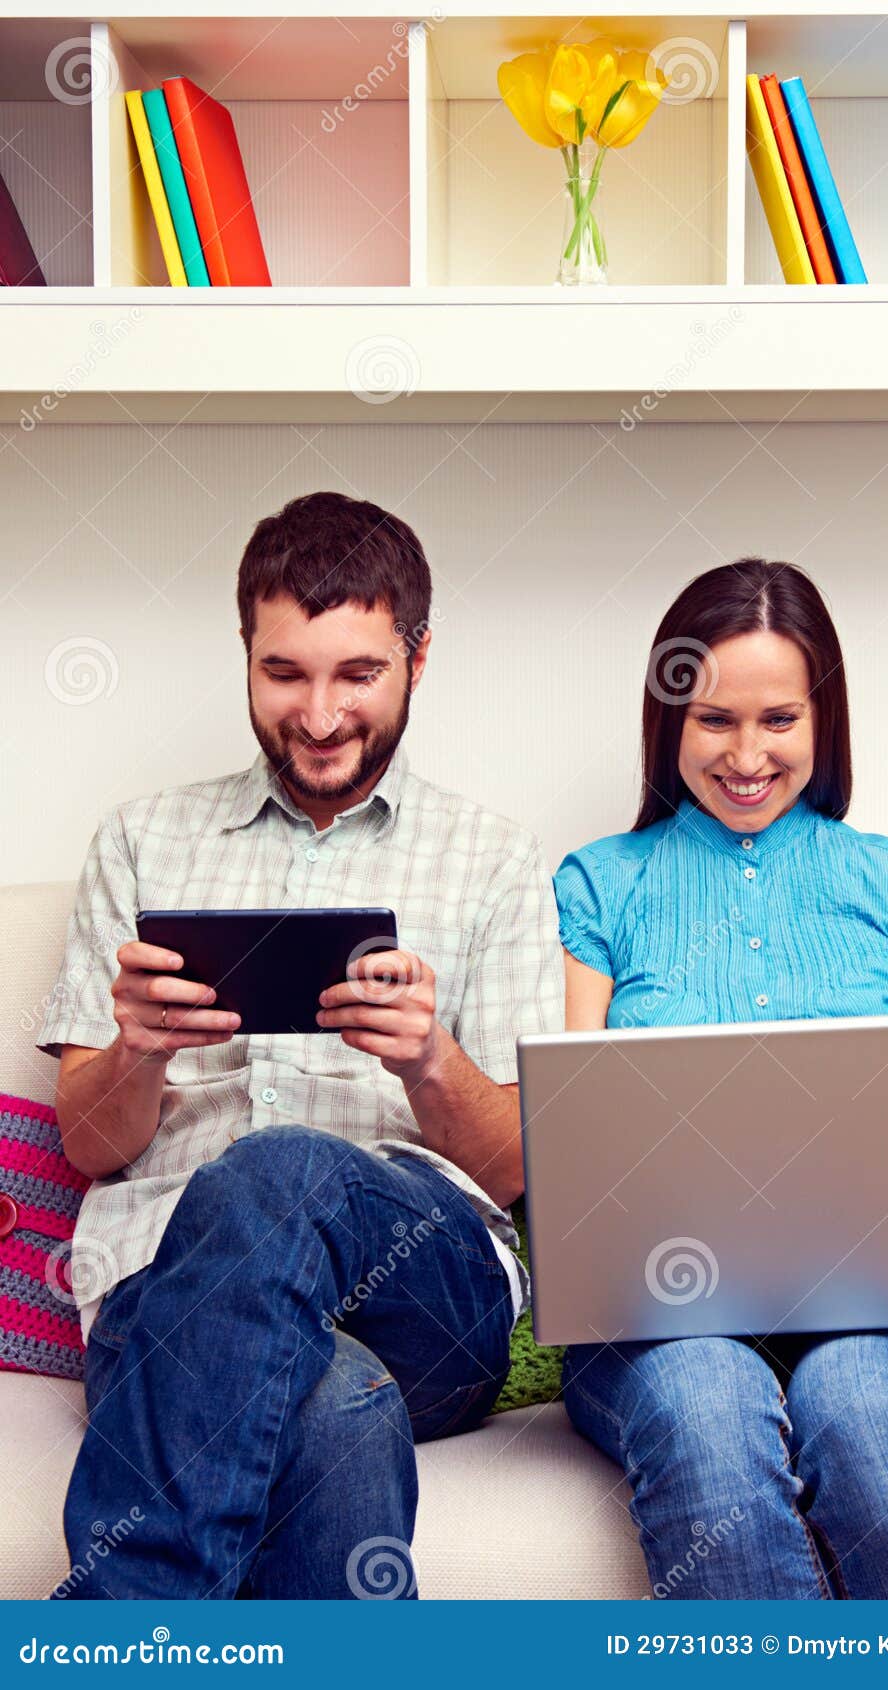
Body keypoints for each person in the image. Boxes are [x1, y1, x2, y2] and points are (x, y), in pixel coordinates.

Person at [38, 490, 563, 1600]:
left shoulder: (499, 860)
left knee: (282, 1167)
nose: (320, 715)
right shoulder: (140, 842)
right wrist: (133, 1054)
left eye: (356, 674)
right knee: (332, 1407)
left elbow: (522, 1170)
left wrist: (431, 1062)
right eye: (285, 673)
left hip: (428, 1286)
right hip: (167, 1288)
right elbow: (89, 1147)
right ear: (244, 656)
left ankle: (118, 1624)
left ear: (420, 660)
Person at [552, 556, 888, 1601]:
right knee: (707, 1397)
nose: (748, 754)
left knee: (854, 1395)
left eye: (779, 719)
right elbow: (575, 1138)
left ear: (824, 720)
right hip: (657, 1327)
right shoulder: (599, 884)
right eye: (715, 719)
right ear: (668, 720)